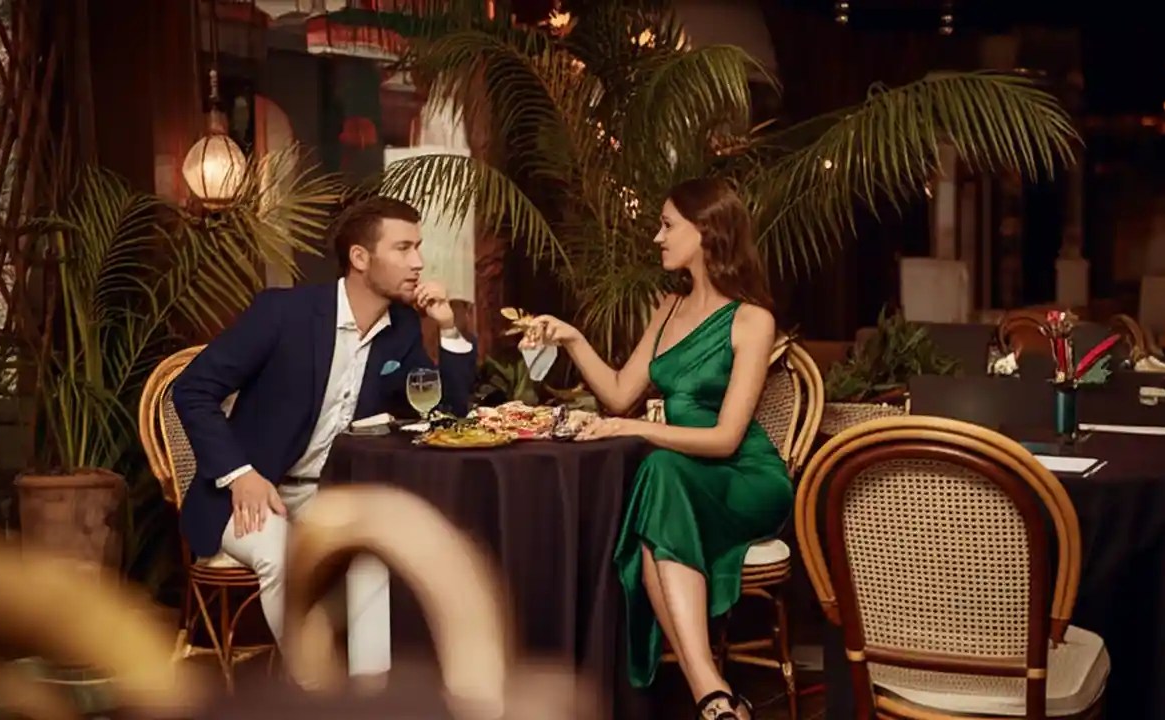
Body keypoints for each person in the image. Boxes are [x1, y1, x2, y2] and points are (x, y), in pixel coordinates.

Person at [521, 178, 790, 720]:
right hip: (681, 475)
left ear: (706, 231)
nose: (656, 237)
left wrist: (633, 431)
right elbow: (621, 393)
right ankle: (713, 695)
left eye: (668, 225)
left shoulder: (751, 319)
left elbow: (725, 439)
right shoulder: (666, 308)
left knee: (657, 473)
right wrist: (572, 338)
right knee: (658, 488)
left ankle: (710, 694)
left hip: (745, 477)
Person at [173, 195, 478, 654]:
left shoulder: (402, 329)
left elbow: (444, 415)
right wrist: (240, 475)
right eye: (403, 248)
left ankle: (368, 699)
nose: (418, 263)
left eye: (418, 247)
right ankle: (314, 697)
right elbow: (192, 390)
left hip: (333, 494)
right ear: (360, 257)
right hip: (253, 494)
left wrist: (449, 329)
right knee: (281, 555)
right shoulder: (283, 314)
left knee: (374, 557)